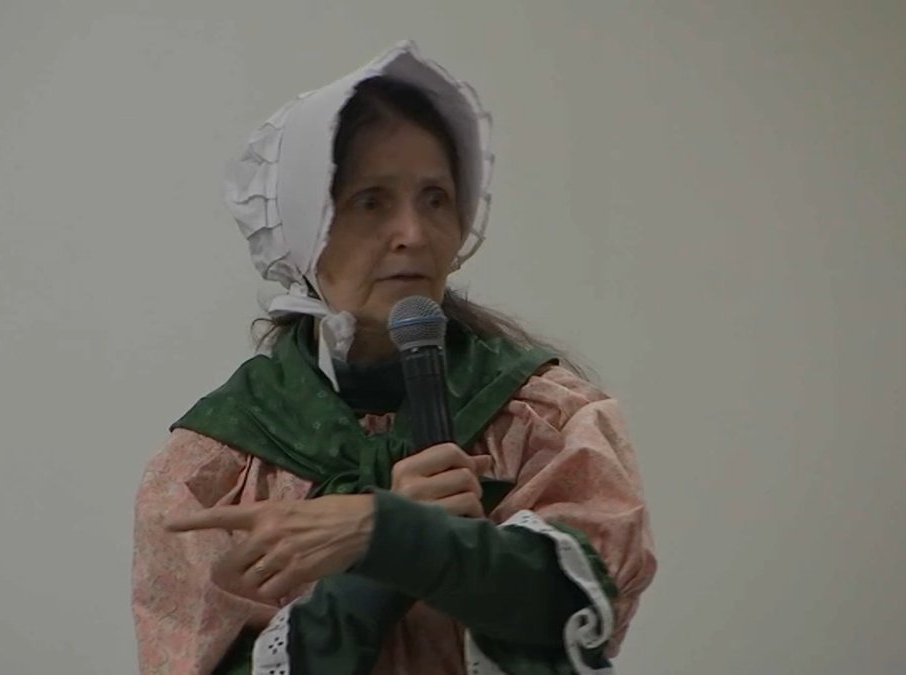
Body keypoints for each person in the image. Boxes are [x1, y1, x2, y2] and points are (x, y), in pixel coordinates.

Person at [132, 41, 656, 675]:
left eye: (435, 197)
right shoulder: (213, 466)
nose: (413, 231)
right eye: (371, 201)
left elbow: (578, 613)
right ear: (303, 230)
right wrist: (385, 547)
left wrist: (386, 531)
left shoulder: (544, 416)